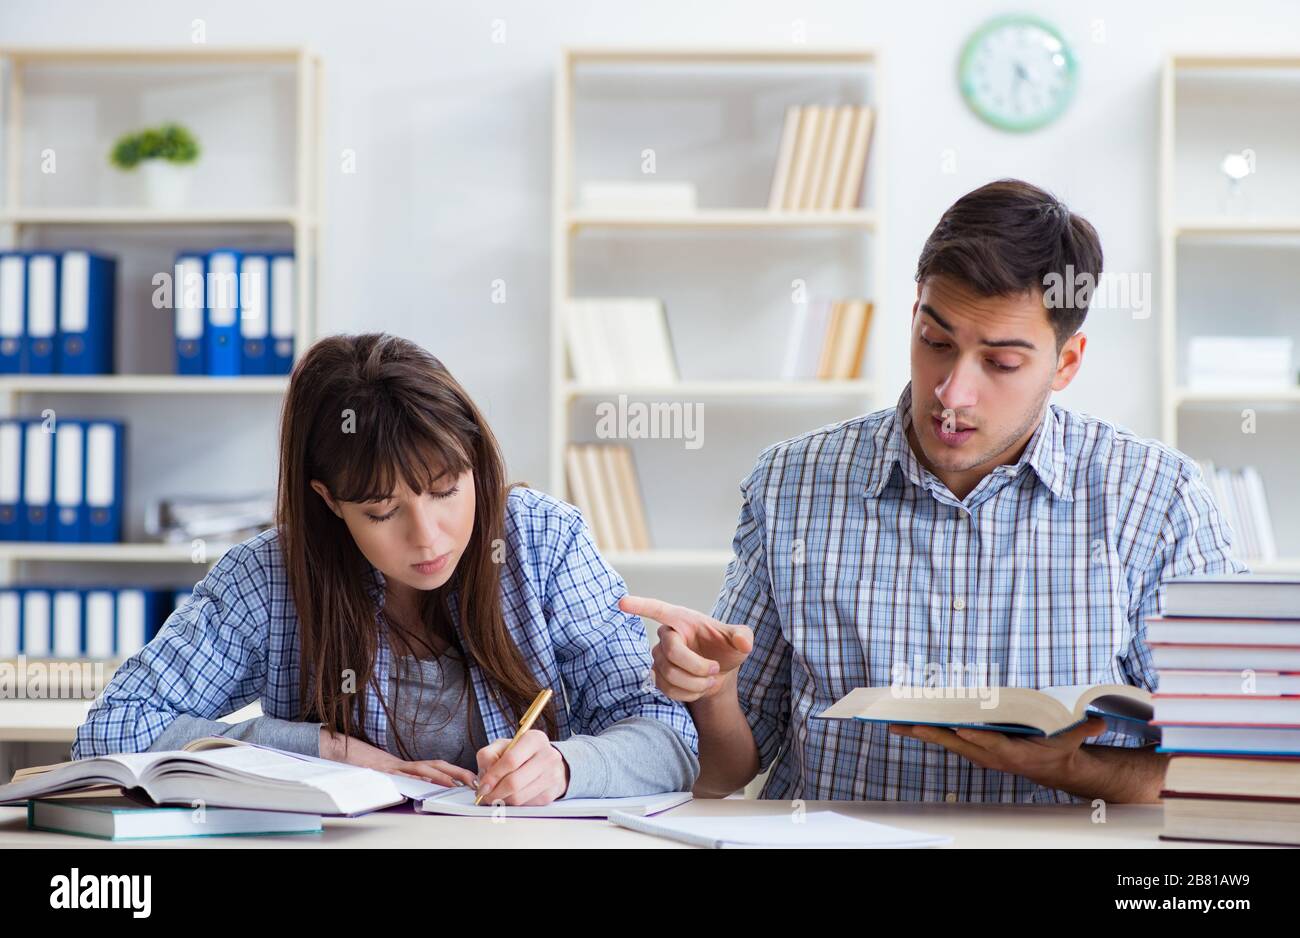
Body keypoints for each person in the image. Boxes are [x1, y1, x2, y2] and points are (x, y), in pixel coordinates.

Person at [626, 179, 1246, 804]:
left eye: (1000, 363)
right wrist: (713, 690)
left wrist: (1075, 769)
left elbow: (1237, 764)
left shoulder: (1159, 498)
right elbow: (725, 771)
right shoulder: (791, 483)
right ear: (914, 315)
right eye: (936, 343)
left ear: (1066, 363)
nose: (952, 393)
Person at [75, 333, 698, 806]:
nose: (427, 537)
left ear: (475, 463)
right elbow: (112, 731)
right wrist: (328, 751)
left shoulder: (542, 541)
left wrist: (564, 768)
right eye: (381, 511)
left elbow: (669, 738)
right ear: (329, 500)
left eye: (447, 490)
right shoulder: (272, 575)